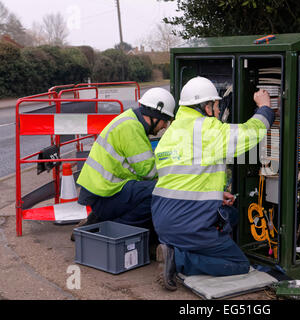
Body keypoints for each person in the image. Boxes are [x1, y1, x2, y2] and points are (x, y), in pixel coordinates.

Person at [151, 76, 275, 291]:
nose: (219, 112)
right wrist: (265, 108)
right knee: (239, 264)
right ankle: (179, 259)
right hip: (189, 225)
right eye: (217, 106)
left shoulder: (171, 132)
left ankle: (175, 249)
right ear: (206, 107)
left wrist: (217, 195)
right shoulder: (206, 130)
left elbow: (186, 176)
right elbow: (250, 133)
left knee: (232, 214)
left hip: (163, 221)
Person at [71, 87, 176, 243]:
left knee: (148, 189)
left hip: (103, 191)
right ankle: (115, 231)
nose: (164, 126)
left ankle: (99, 221)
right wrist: (177, 170)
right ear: (155, 115)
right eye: (164, 120)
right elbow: (150, 171)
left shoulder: (130, 120)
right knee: (159, 192)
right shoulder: (132, 128)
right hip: (105, 194)